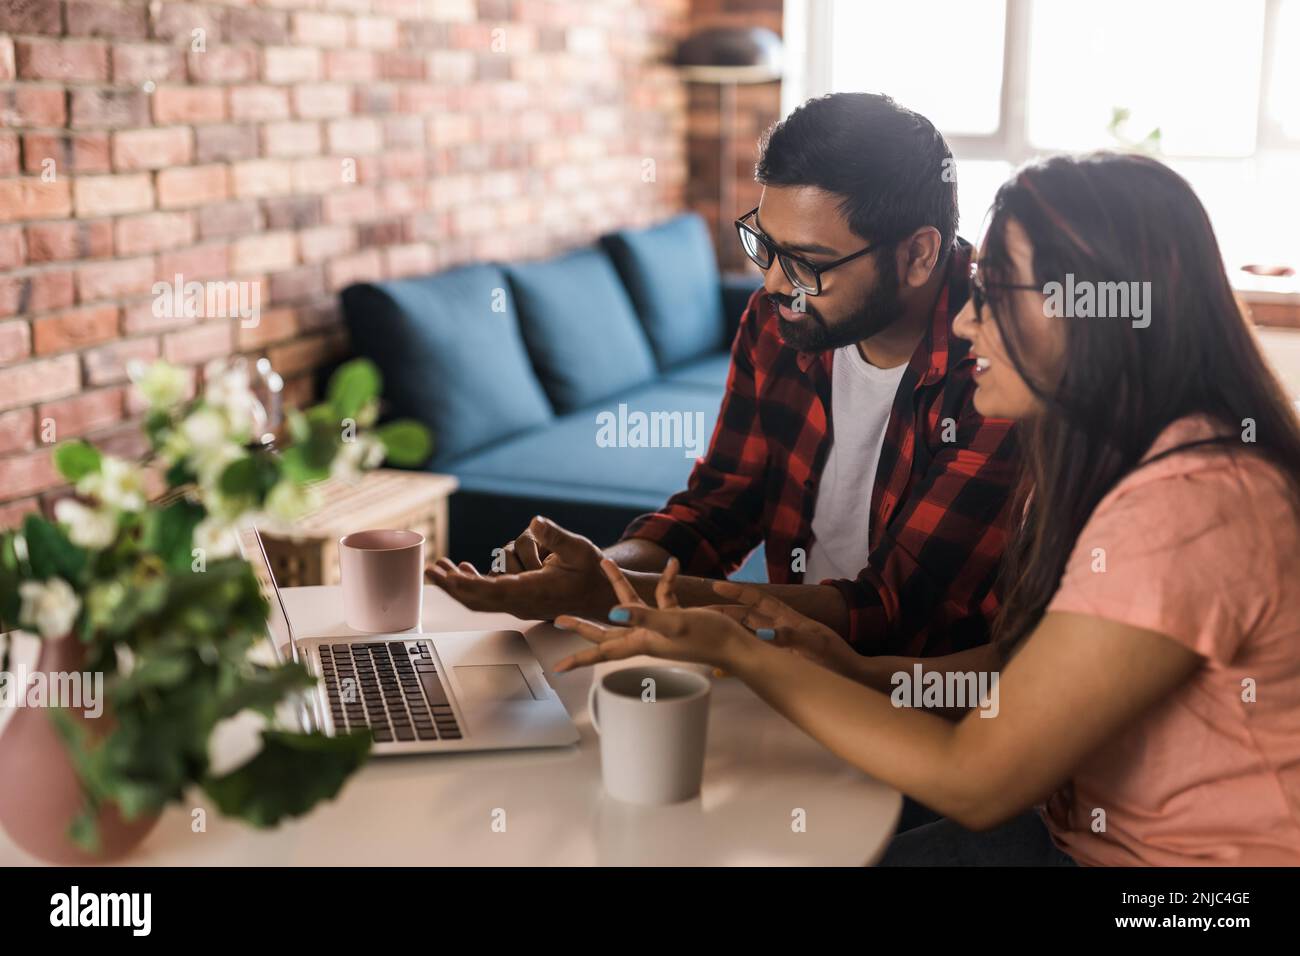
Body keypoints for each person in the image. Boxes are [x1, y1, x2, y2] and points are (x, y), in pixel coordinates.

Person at [550, 152, 1300, 866]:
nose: (970, 323)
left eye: (998, 296)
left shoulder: (1193, 504)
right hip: (1070, 834)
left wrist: (739, 648)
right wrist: (860, 670)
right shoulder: (1132, 457)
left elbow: (974, 781)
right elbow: (1024, 672)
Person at [430, 93, 1018, 659]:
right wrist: (593, 567)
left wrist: (610, 589)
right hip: (784, 661)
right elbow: (722, 504)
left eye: (807, 264)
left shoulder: (1005, 368)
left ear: (918, 255)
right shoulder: (780, 323)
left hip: (913, 699)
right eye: (765, 245)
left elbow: (893, 609)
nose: (772, 286)